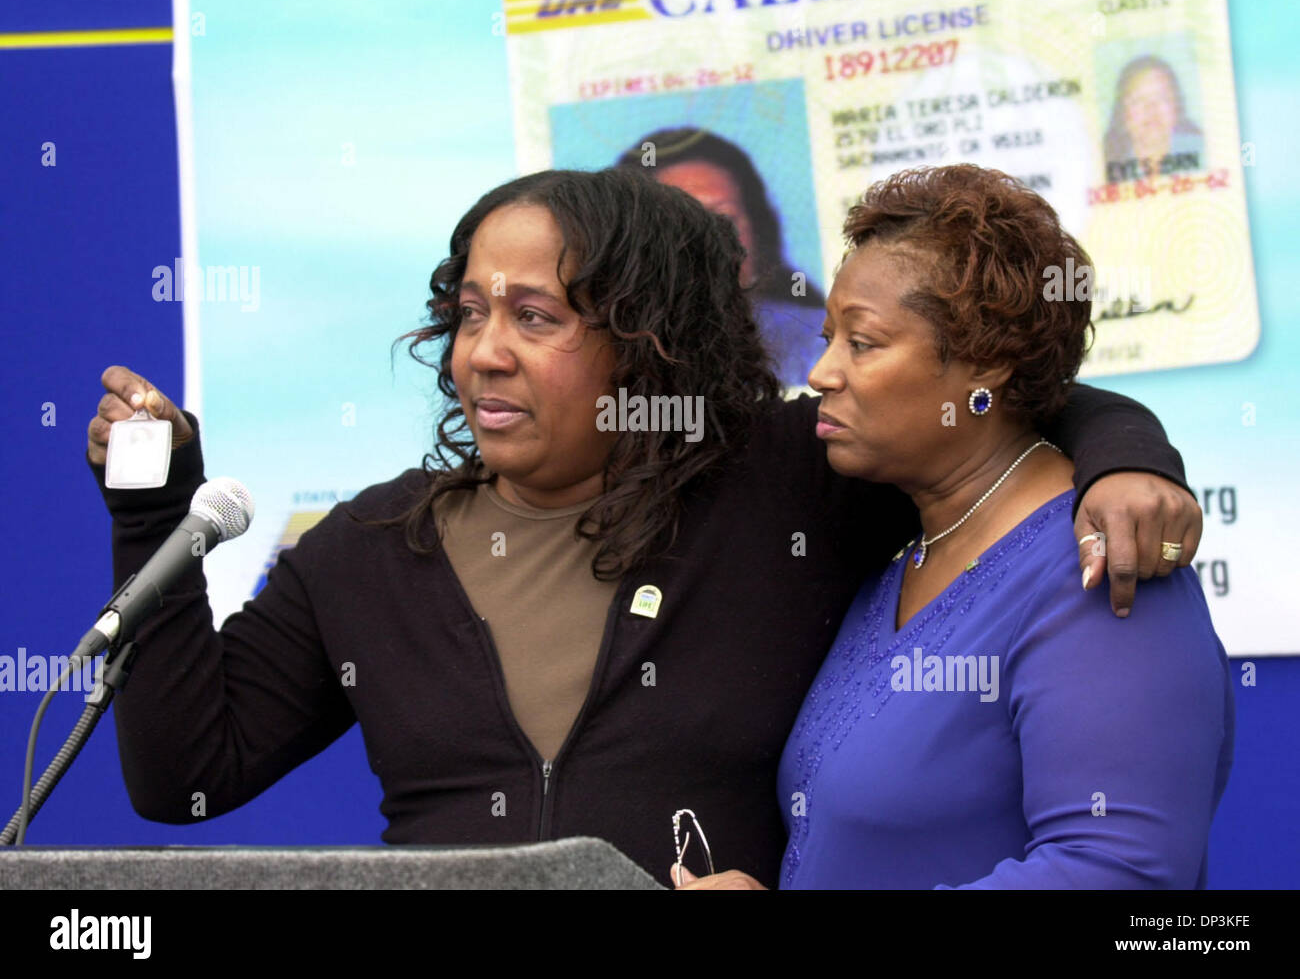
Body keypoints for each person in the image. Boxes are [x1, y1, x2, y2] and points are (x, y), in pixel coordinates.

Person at [86, 167, 1203, 889]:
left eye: (536, 317)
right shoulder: (370, 546)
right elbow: (189, 772)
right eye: (469, 312)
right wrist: (149, 519)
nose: (484, 351)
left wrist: (1130, 459)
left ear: (648, 341)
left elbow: (1001, 402)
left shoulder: (791, 482)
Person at [674, 166, 1232, 891]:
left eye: (863, 343)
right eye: (827, 337)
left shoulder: (1100, 565)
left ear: (987, 365)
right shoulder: (905, 554)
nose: (821, 374)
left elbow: (1117, 873)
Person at [615, 127, 825, 387]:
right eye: (679, 224)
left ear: (757, 230)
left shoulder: (821, 344)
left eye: (724, 220)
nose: (708, 243)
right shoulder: (601, 359)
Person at [1103, 55, 1204, 183]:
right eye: (1138, 100)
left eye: (1162, 98)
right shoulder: (1104, 164)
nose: (1151, 109)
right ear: (1122, 111)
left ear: (1176, 107)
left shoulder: (1205, 151)